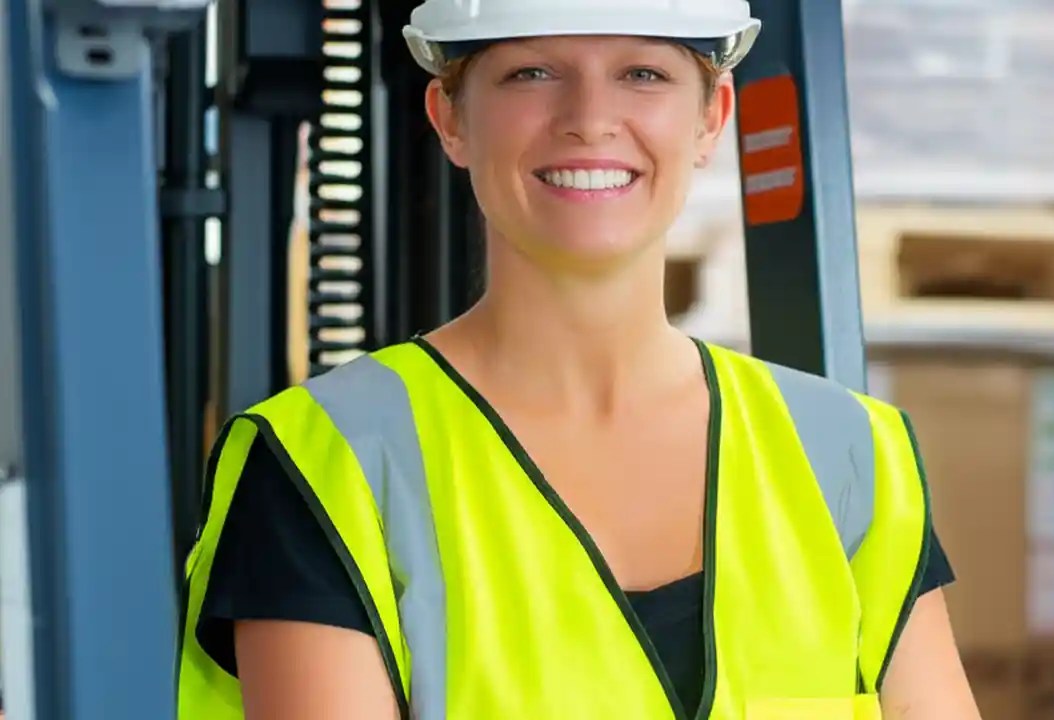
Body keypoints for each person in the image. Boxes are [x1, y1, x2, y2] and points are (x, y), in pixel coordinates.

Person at [176, 0, 982, 717]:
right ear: (450, 119)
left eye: (643, 73)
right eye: (531, 72)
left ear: (712, 117)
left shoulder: (850, 455)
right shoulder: (326, 464)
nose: (590, 119)